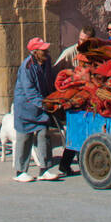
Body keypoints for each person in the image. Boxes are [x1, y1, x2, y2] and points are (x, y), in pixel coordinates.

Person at [12, 38, 63, 182]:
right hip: (26, 107)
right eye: (43, 50)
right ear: (35, 52)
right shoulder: (27, 67)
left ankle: (44, 169)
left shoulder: (46, 61)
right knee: (25, 139)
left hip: (41, 106)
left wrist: (54, 97)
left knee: (44, 135)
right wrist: (45, 104)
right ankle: (20, 171)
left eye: (46, 49)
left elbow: (49, 81)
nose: (46, 52)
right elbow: (30, 92)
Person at [53, 26, 95, 175]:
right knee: (76, 130)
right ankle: (65, 165)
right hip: (74, 99)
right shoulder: (70, 53)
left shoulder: (95, 53)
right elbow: (57, 73)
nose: (81, 42)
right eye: (81, 39)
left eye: (85, 41)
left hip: (89, 98)